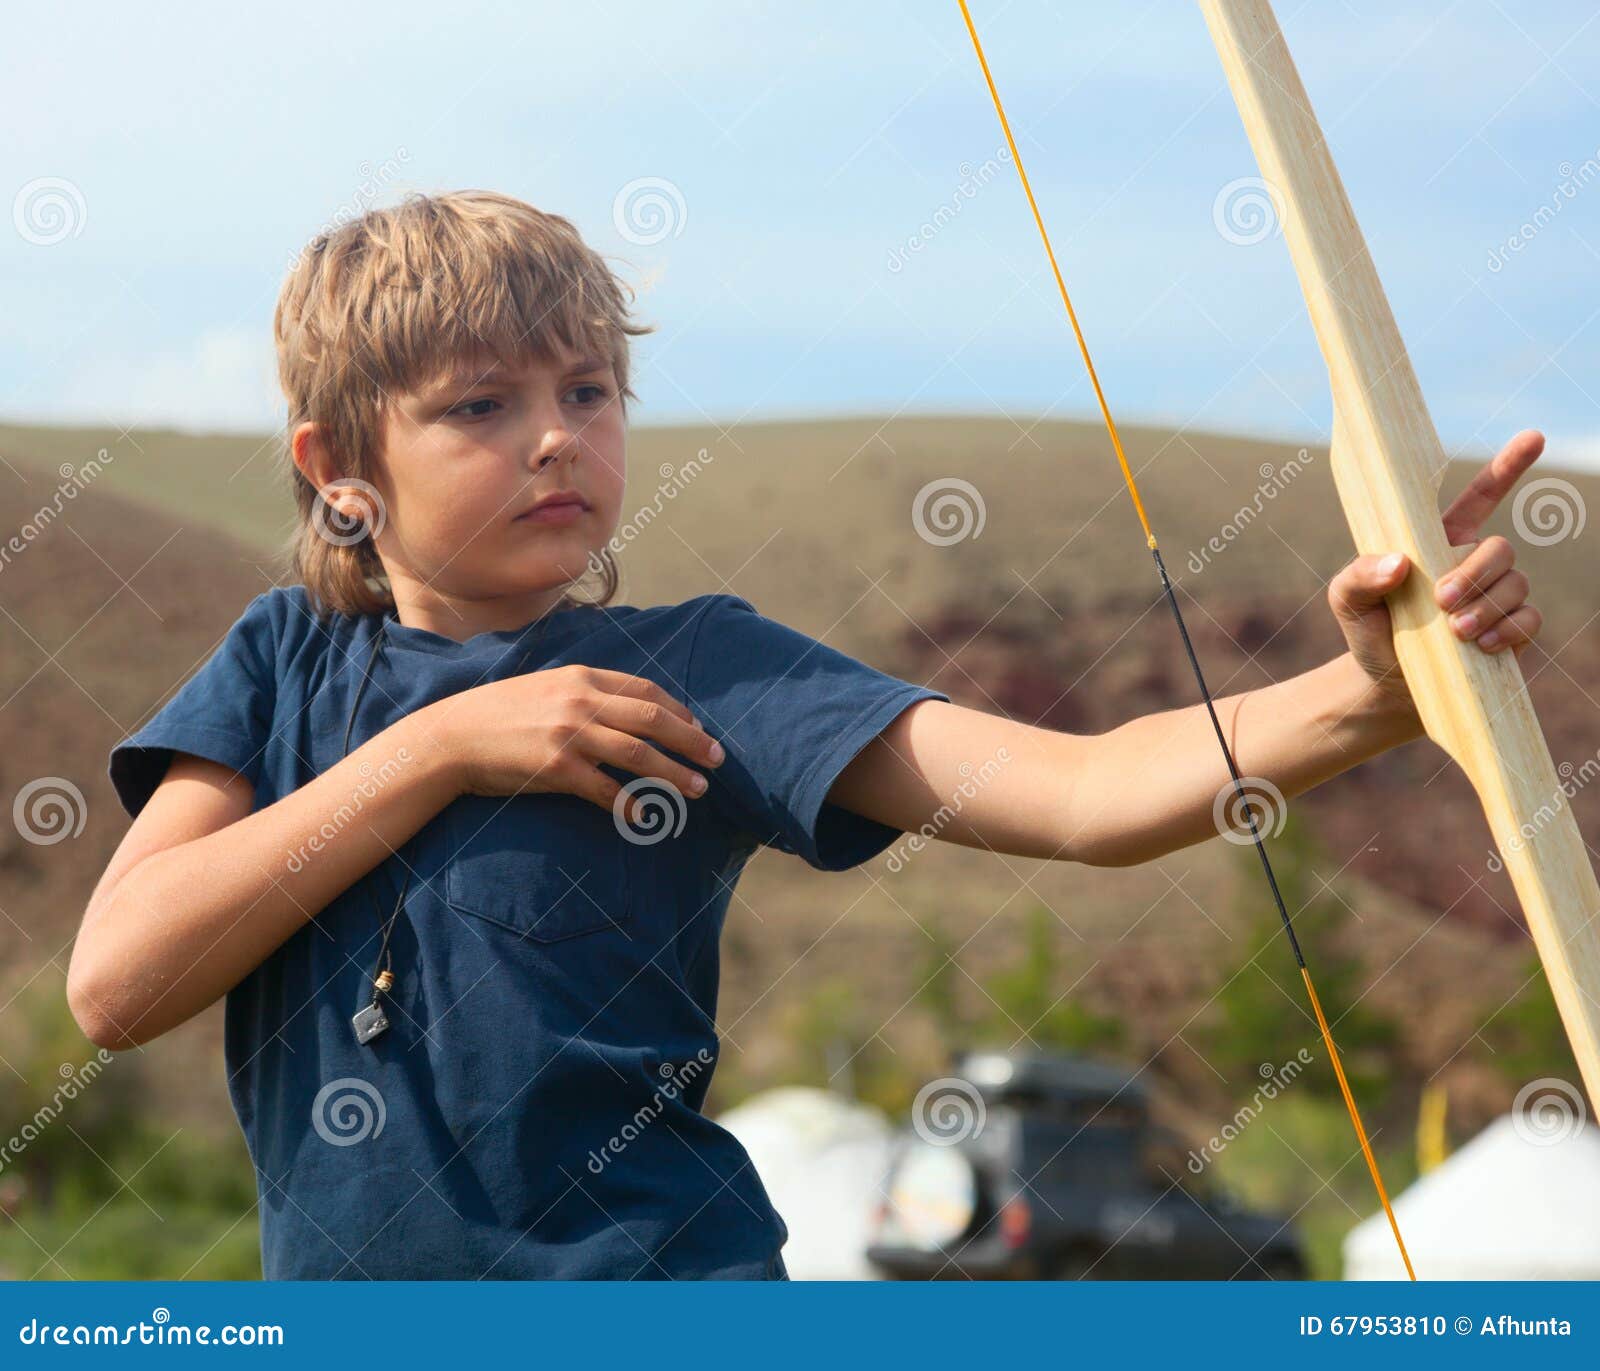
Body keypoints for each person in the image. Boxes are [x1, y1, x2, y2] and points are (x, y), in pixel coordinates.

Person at [67, 190, 1545, 1279]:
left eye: (588, 390)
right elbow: (118, 986)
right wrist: (442, 747)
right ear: (339, 470)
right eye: (481, 405)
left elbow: (1089, 792)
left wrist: (1370, 690)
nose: (556, 437)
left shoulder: (697, 668)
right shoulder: (278, 670)